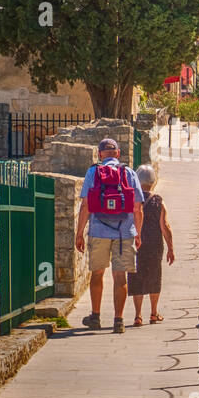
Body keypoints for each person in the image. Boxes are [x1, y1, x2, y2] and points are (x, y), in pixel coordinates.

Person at [75, 139, 146, 334]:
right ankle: (119, 321)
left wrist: (79, 233)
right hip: (124, 233)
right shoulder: (129, 173)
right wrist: (137, 233)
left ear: (100, 154)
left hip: (99, 230)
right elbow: (138, 208)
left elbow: (86, 206)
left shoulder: (93, 172)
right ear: (118, 153)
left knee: (97, 274)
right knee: (119, 276)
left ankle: (96, 317)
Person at [126, 165, 175, 326]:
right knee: (154, 276)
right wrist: (170, 248)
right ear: (153, 181)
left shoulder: (132, 199)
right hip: (154, 244)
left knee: (136, 277)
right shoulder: (158, 201)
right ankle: (154, 313)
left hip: (136, 244)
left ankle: (138, 316)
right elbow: (165, 226)